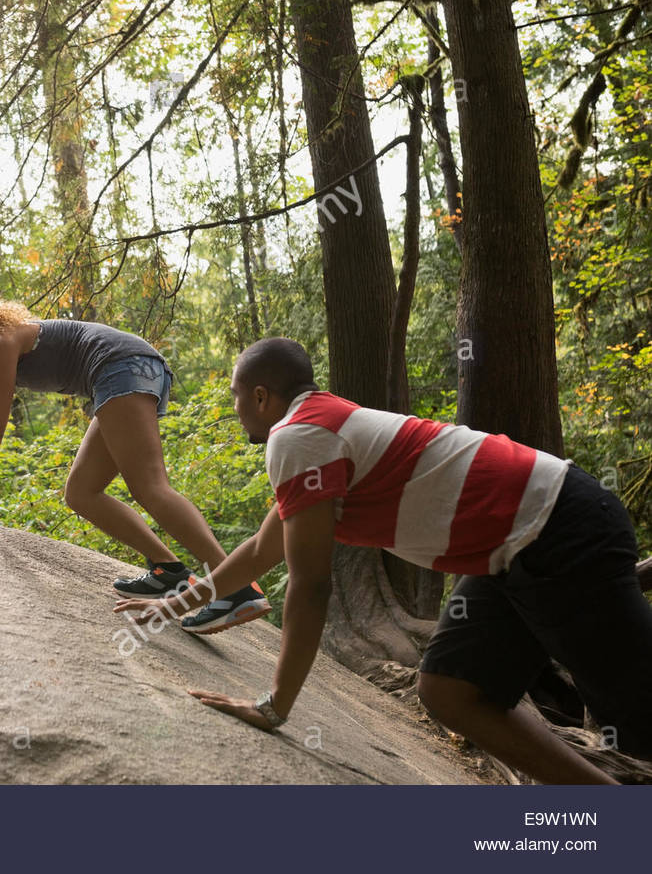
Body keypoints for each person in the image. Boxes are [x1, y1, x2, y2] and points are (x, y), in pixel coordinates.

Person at [115, 336, 652, 784]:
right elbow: (262, 549)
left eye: (235, 398)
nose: (235, 411)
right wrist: (179, 601)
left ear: (260, 397)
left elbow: (312, 585)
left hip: (559, 525)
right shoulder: (315, 428)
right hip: (513, 546)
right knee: (449, 690)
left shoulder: (298, 437)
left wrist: (274, 706)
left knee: (634, 706)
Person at [0, 295, 269, 632]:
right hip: (122, 373)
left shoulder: (3, 341)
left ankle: (236, 586)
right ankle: (169, 571)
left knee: (150, 488)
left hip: (122, 367)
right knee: (81, 493)